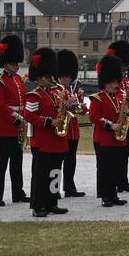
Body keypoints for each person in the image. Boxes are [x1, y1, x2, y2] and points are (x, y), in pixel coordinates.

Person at [24, 47, 68, 218]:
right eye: (49, 77)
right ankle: (38, 205)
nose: (52, 79)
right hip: (42, 142)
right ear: (41, 78)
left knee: (55, 174)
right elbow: (29, 116)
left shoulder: (57, 93)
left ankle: (52, 203)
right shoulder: (34, 96)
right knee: (40, 176)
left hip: (57, 141)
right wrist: (50, 122)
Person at [0, 34, 28, 206]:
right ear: (5, 63)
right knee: (1, 164)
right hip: (5, 127)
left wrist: (23, 119)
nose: (16, 66)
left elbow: (23, 102)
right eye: (13, 63)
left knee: (17, 163)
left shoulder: (18, 80)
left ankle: (17, 193)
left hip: (18, 128)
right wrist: (17, 119)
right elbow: (0, 106)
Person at [89, 53, 128, 207]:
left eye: (115, 82)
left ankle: (114, 194)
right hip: (104, 138)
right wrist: (109, 124)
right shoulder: (98, 98)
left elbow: (121, 113)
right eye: (112, 82)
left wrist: (126, 113)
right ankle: (105, 196)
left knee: (115, 167)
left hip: (117, 138)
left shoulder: (120, 97)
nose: (115, 84)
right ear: (105, 82)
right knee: (104, 168)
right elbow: (93, 117)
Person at [105, 40, 129, 194]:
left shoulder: (127, 81)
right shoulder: (111, 83)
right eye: (122, 67)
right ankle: (115, 183)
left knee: (125, 154)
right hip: (116, 123)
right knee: (116, 156)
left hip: (128, 123)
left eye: (125, 67)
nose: (124, 70)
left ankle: (123, 181)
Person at [55, 49, 86, 198]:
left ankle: (69, 187)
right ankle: (55, 189)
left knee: (71, 161)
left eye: (68, 77)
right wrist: (68, 103)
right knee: (59, 162)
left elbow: (83, 110)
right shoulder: (56, 91)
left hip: (73, 131)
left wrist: (78, 103)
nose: (66, 79)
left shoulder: (74, 91)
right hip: (63, 132)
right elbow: (55, 109)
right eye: (63, 76)